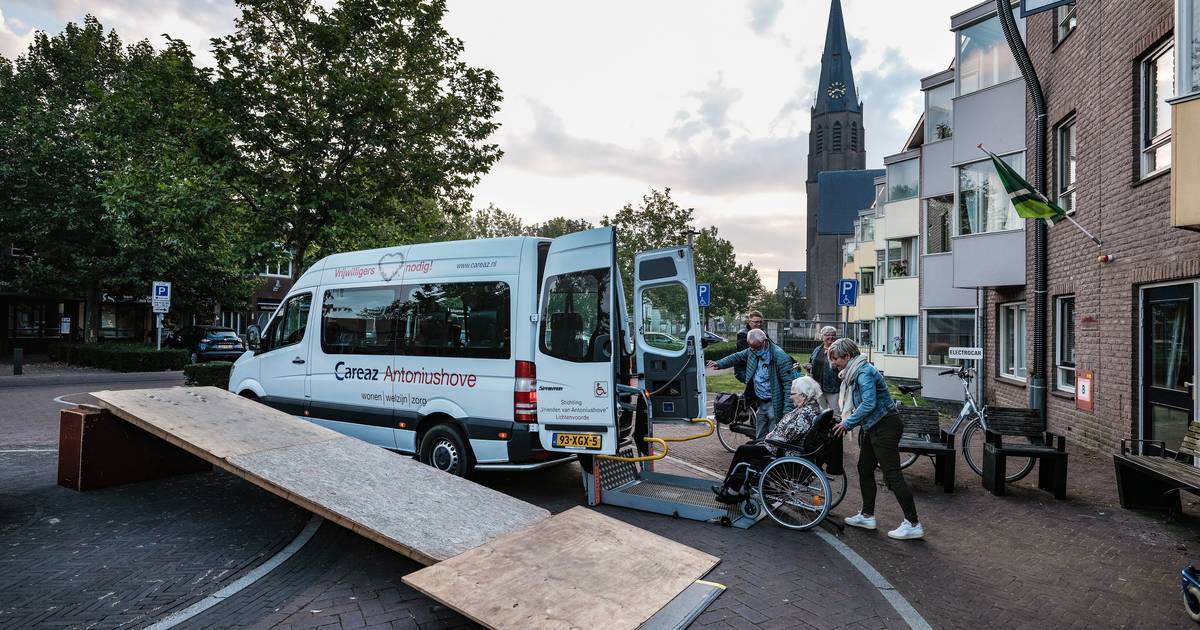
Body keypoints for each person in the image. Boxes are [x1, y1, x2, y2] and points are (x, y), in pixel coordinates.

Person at [830, 338, 923, 540]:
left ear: (847, 356)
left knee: (893, 475)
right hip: (874, 426)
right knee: (864, 468)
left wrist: (847, 423)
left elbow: (869, 403)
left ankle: (913, 523)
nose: (834, 363)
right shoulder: (855, 371)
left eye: (836, 359)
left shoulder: (863, 373)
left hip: (885, 425)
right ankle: (867, 515)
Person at [711, 376, 824, 503]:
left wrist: (769, 438)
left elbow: (787, 437)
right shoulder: (811, 408)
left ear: (803, 395)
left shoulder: (805, 413)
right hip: (784, 447)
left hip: (782, 450)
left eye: (792, 394)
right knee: (749, 445)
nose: (791, 397)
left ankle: (731, 490)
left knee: (743, 450)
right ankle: (739, 488)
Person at [707, 328, 794, 440]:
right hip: (760, 402)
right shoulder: (752, 351)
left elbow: (789, 384)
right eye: (751, 348)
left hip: (774, 402)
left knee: (774, 438)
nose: (754, 350)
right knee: (760, 436)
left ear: (765, 341)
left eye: (757, 348)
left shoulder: (780, 357)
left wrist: (787, 409)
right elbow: (737, 357)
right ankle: (760, 453)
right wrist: (719, 363)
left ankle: (774, 456)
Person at [805, 326, 842, 418]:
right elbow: (812, 362)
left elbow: (842, 367)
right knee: (822, 413)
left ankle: (836, 431)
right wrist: (809, 367)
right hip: (818, 386)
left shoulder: (839, 350)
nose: (830, 337)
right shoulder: (817, 349)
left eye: (833, 335)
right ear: (822, 337)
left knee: (835, 414)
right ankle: (825, 432)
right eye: (827, 335)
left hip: (833, 388)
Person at [733, 311, 765, 383]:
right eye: (756, 322)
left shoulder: (763, 333)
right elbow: (750, 353)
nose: (759, 324)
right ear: (749, 322)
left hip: (759, 368)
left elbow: (774, 348)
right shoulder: (743, 334)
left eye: (760, 322)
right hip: (744, 369)